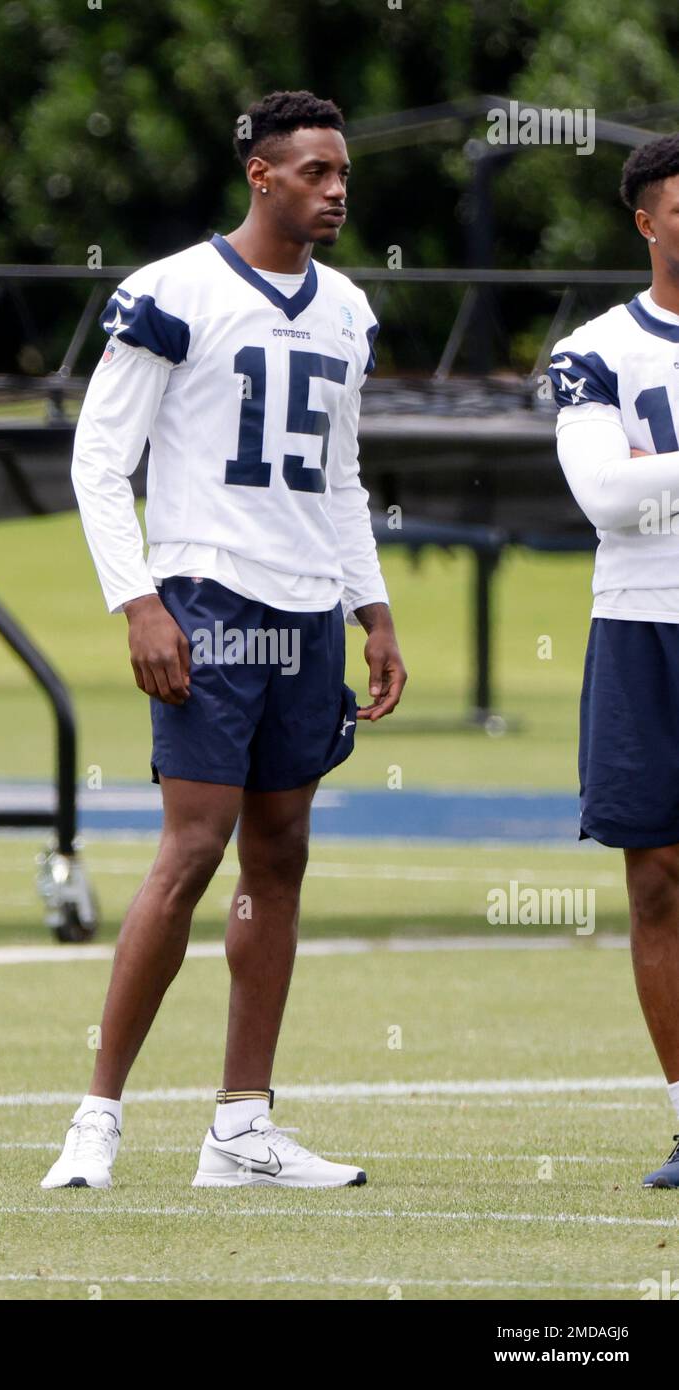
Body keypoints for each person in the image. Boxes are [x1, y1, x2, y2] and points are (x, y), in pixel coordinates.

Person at [42, 89, 406, 1191]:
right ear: (260, 175)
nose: (335, 190)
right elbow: (98, 460)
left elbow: (339, 477)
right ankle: (94, 1119)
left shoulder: (346, 309)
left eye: (341, 173)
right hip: (207, 598)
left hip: (304, 611)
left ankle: (240, 1126)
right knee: (190, 851)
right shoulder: (170, 292)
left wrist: (370, 609)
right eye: (313, 173)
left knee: (279, 855)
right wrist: (138, 600)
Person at [548, 132, 679, 1188]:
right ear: (643, 220)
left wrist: (658, 470)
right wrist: (639, 481)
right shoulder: (597, 348)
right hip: (639, 620)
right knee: (655, 883)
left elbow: (642, 485)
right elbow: (603, 496)